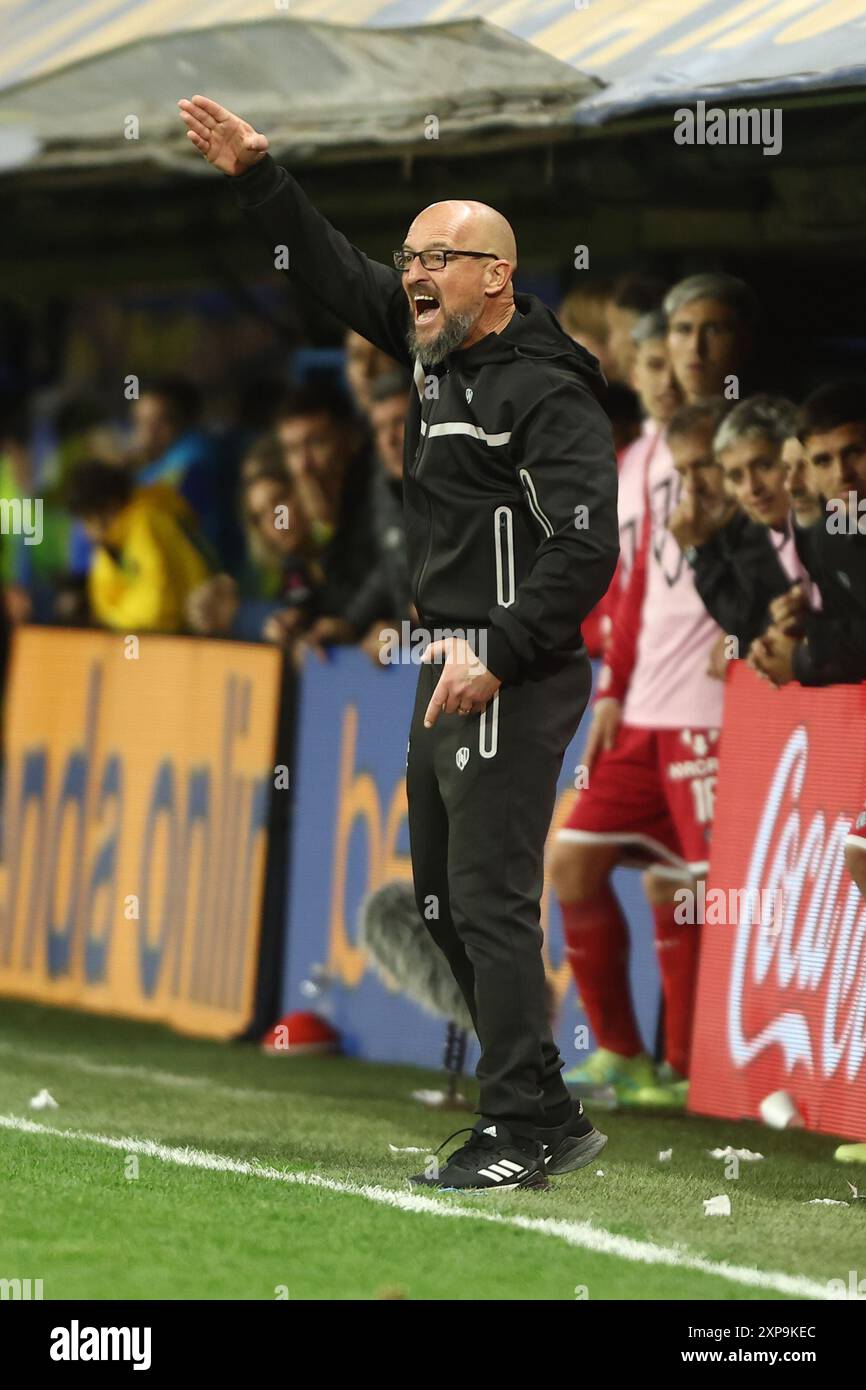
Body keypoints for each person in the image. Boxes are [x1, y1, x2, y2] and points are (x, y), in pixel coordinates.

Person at [179, 91, 618, 1192]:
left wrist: (497, 650)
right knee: (437, 897)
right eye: (409, 255)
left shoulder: (543, 389)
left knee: (484, 893)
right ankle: (544, 1103)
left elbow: (583, 548)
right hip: (445, 661)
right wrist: (257, 176)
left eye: (437, 256)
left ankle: (518, 1122)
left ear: (494, 277)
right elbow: (323, 269)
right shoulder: (433, 348)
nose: (411, 271)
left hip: (509, 667)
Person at [671, 395, 807, 653]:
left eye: (765, 466)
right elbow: (748, 625)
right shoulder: (758, 530)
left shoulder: (838, 523)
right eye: (737, 476)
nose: (753, 488)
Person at [305, 369, 413, 663]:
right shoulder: (383, 482)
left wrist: (410, 631)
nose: (389, 439)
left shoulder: (462, 492)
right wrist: (350, 622)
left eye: (400, 423)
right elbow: (392, 562)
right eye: (379, 428)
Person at [65, 462, 212, 633]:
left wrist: (112, 618)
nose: (85, 532)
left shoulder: (146, 524)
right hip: (164, 641)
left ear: (109, 508)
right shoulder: (113, 543)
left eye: (87, 521)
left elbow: (157, 609)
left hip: (193, 637)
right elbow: (102, 602)